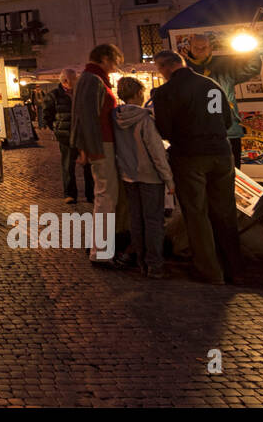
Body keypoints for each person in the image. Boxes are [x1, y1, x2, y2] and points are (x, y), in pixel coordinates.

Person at [151, 49, 241, 285]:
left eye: (159, 69)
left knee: (196, 213)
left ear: (165, 67)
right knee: (225, 211)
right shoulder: (211, 85)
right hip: (221, 153)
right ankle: (234, 267)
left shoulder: (165, 92)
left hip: (190, 156)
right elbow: (227, 120)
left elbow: (165, 130)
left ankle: (209, 271)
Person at [69, 44, 128, 265]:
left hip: (103, 144)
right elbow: (85, 117)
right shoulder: (92, 80)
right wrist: (87, 149)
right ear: (105, 58)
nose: (115, 67)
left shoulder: (94, 79)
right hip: (101, 145)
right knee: (106, 196)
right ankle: (101, 251)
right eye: (115, 61)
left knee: (107, 196)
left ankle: (102, 247)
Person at [113, 77, 174, 279]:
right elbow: (156, 152)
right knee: (154, 220)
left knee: (136, 220)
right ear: (139, 94)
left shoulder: (115, 117)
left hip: (128, 175)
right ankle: (154, 264)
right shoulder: (145, 119)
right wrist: (169, 179)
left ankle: (141, 261)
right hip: (149, 176)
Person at [181, 32, 263, 166]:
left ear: (210, 48)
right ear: (189, 48)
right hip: (199, 135)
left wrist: (252, 49)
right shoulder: (184, 71)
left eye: (204, 47)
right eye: (196, 48)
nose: (201, 51)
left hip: (228, 132)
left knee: (233, 173)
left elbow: (252, 68)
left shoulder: (224, 68)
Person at [44, 68, 93, 204]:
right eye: (74, 79)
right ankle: (70, 194)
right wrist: (57, 129)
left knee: (88, 165)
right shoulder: (54, 95)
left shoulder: (81, 94)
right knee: (67, 166)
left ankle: (91, 194)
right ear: (66, 81)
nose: (77, 81)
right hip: (66, 135)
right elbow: (47, 115)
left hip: (83, 135)